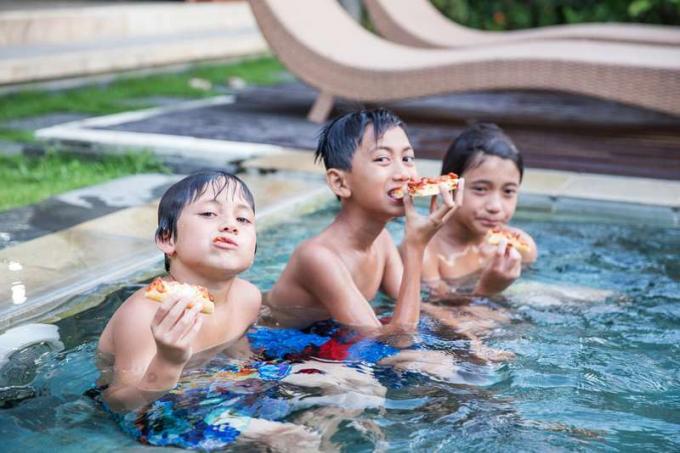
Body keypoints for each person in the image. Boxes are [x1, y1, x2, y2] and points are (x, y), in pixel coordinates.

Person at [95, 170, 319, 450]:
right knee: (287, 437)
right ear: (167, 239)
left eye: (243, 219)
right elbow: (120, 402)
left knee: (343, 386)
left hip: (208, 387)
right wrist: (169, 360)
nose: (230, 225)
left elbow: (241, 358)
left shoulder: (248, 297)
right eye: (209, 214)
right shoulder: (147, 314)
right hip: (152, 412)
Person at [263, 108, 462, 377]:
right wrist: (416, 247)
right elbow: (395, 340)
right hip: (280, 351)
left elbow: (418, 306)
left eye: (407, 158)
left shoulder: (381, 240)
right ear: (340, 182)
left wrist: (468, 338)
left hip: (339, 337)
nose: (403, 173)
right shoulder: (318, 257)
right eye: (382, 159)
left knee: (451, 362)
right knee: (424, 368)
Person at [416, 123, 537, 360]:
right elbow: (433, 317)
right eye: (481, 189)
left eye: (509, 192)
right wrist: (486, 291)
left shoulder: (519, 245)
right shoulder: (427, 252)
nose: (495, 206)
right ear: (448, 187)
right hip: (451, 340)